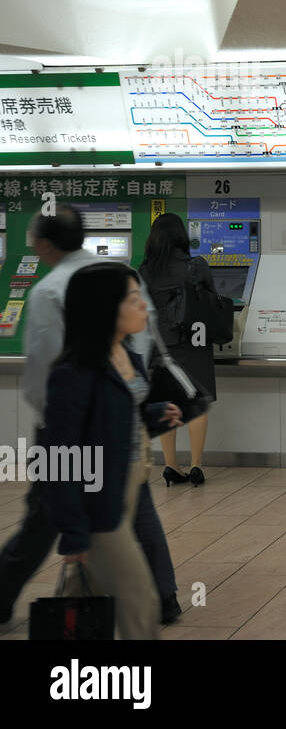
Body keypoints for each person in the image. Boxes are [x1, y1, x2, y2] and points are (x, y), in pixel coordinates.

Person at [0, 205, 184, 628]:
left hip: (82, 426)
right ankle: (161, 596)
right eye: (135, 302)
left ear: (43, 245)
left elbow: (41, 374)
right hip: (112, 424)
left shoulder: (52, 292)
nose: (141, 305)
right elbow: (142, 351)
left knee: (52, 512)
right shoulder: (117, 279)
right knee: (109, 509)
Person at [41, 262, 182, 640]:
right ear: (104, 306)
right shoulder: (74, 372)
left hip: (133, 478)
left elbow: (121, 417)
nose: (144, 307)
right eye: (133, 298)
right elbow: (59, 457)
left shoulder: (127, 355)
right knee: (138, 600)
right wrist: (73, 532)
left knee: (94, 596)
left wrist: (154, 416)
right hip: (99, 500)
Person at [139, 212, 218, 487]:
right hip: (193, 341)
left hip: (160, 344)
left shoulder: (146, 270)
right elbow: (212, 300)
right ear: (181, 236)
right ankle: (196, 465)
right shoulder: (196, 265)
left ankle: (171, 466)